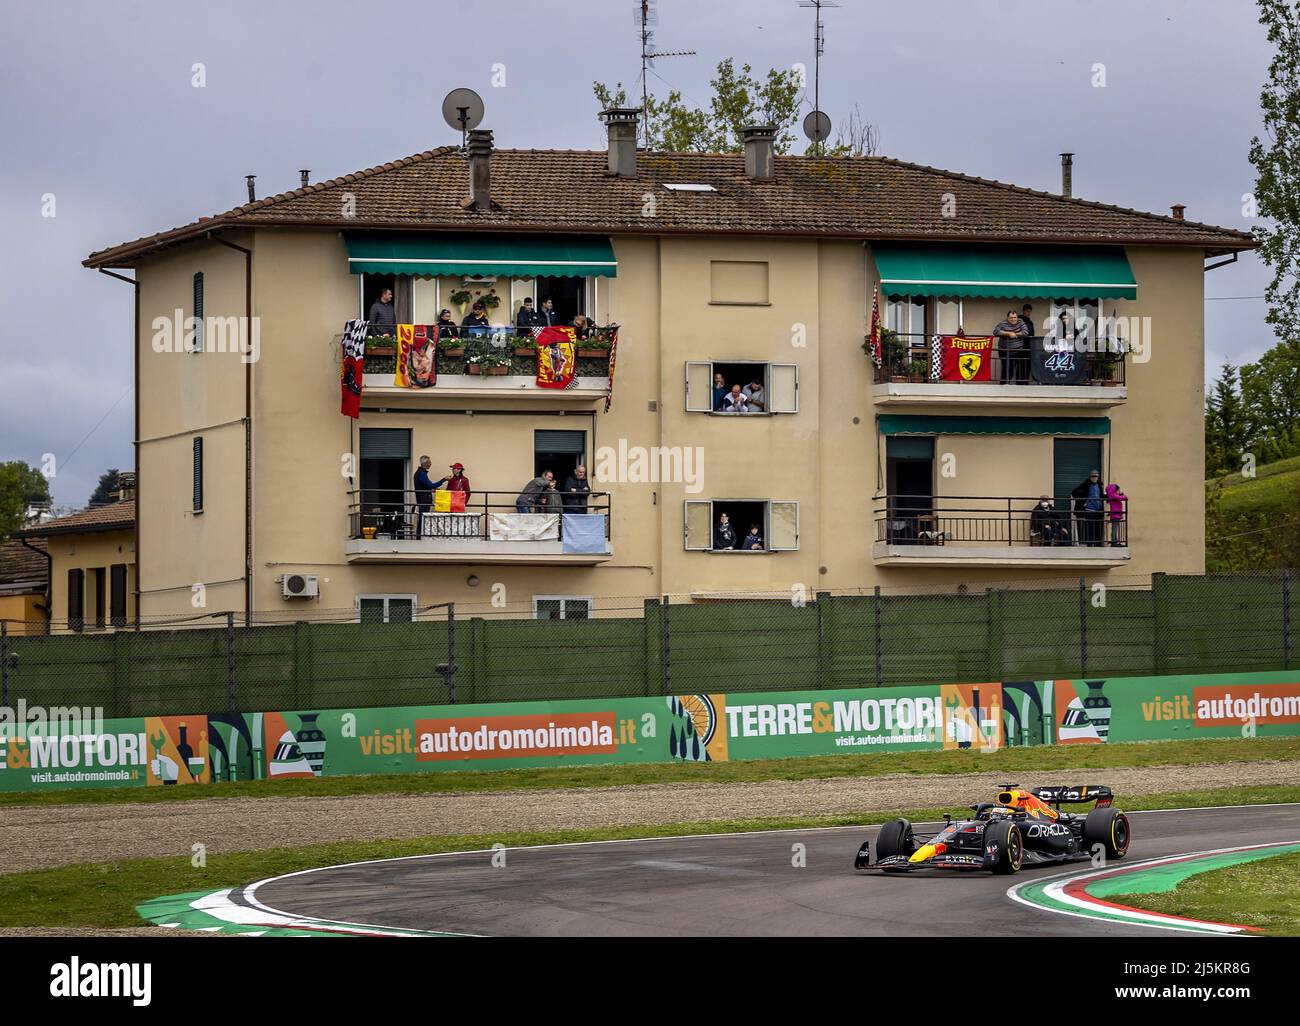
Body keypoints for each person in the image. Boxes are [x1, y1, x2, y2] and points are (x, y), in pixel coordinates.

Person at [992, 309, 1030, 384]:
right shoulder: (1003, 324)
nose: (1013, 319)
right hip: (1004, 351)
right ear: (1008, 318)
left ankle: (1020, 386)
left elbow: (1026, 332)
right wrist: (1008, 333)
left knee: (1021, 369)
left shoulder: (1020, 322)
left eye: (1015, 317)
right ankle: (1003, 385)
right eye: (1011, 318)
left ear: (1017, 317)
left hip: (1019, 351)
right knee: (1007, 369)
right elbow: (995, 332)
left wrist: (1014, 334)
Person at [1071, 469, 1106, 546]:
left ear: (1098, 477)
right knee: (1090, 528)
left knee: (1098, 528)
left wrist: (1110, 496)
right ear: (1090, 477)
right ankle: (1089, 544)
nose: (1094, 478)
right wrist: (1084, 498)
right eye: (1093, 476)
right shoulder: (1086, 484)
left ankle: (1098, 544)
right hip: (1089, 510)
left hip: (1098, 510)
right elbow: (1074, 492)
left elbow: (1101, 496)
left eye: (1096, 476)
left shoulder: (1099, 485)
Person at [413, 455, 439, 537]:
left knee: (422, 518)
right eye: (429, 462)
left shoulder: (419, 473)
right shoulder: (422, 474)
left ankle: (419, 536)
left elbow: (424, 485)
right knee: (423, 519)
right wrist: (443, 479)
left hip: (421, 499)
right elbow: (431, 485)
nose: (430, 464)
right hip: (424, 500)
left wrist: (430, 489)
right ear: (425, 463)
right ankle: (420, 536)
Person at [1105, 482, 1128, 546]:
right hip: (1116, 514)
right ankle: (1114, 541)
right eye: (1117, 489)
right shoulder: (1113, 495)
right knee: (1115, 528)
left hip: (1116, 514)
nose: (1118, 491)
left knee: (1115, 527)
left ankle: (1115, 540)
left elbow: (1118, 496)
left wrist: (1120, 494)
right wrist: (1124, 496)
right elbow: (1121, 498)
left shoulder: (1112, 495)